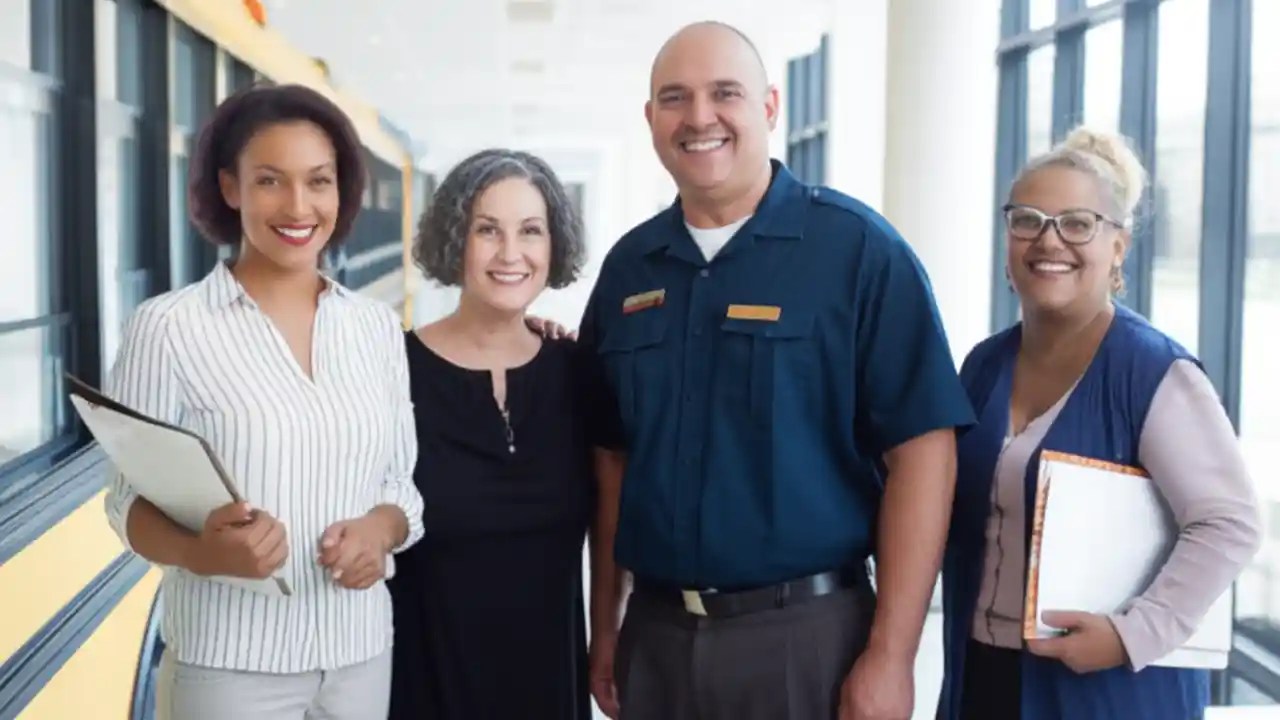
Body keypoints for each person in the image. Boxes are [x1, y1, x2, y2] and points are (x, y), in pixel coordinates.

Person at [577, 21, 975, 720]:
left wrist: (892, 656)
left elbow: (925, 454)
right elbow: (611, 461)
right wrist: (604, 626)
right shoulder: (627, 271)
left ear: (768, 105)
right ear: (650, 119)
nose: (700, 118)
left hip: (808, 643)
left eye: (724, 93)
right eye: (676, 98)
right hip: (659, 642)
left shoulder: (858, 252)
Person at [102, 83, 424, 720]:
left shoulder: (374, 327)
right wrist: (201, 552)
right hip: (229, 667)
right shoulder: (168, 328)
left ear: (341, 191)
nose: (299, 206)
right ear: (231, 188)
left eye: (319, 181)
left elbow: (401, 486)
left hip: (360, 653)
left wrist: (378, 532)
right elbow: (125, 503)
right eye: (271, 181)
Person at [937, 126, 1263, 720]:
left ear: (1118, 245)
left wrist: (1131, 635)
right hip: (984, 678)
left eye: (1078, 224)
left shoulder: (1151, 370)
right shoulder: (985, 364)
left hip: (1109, 689)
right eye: (1028, 220)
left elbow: (1230, 522)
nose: (1048, 240)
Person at [386, 148, 594, 719]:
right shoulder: (390, 371)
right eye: (487, 230)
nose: (510, 254)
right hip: (422, 687)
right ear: (455, 240)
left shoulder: (578, 372)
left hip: (549, 687)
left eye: (530, 231)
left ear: (554, 245)